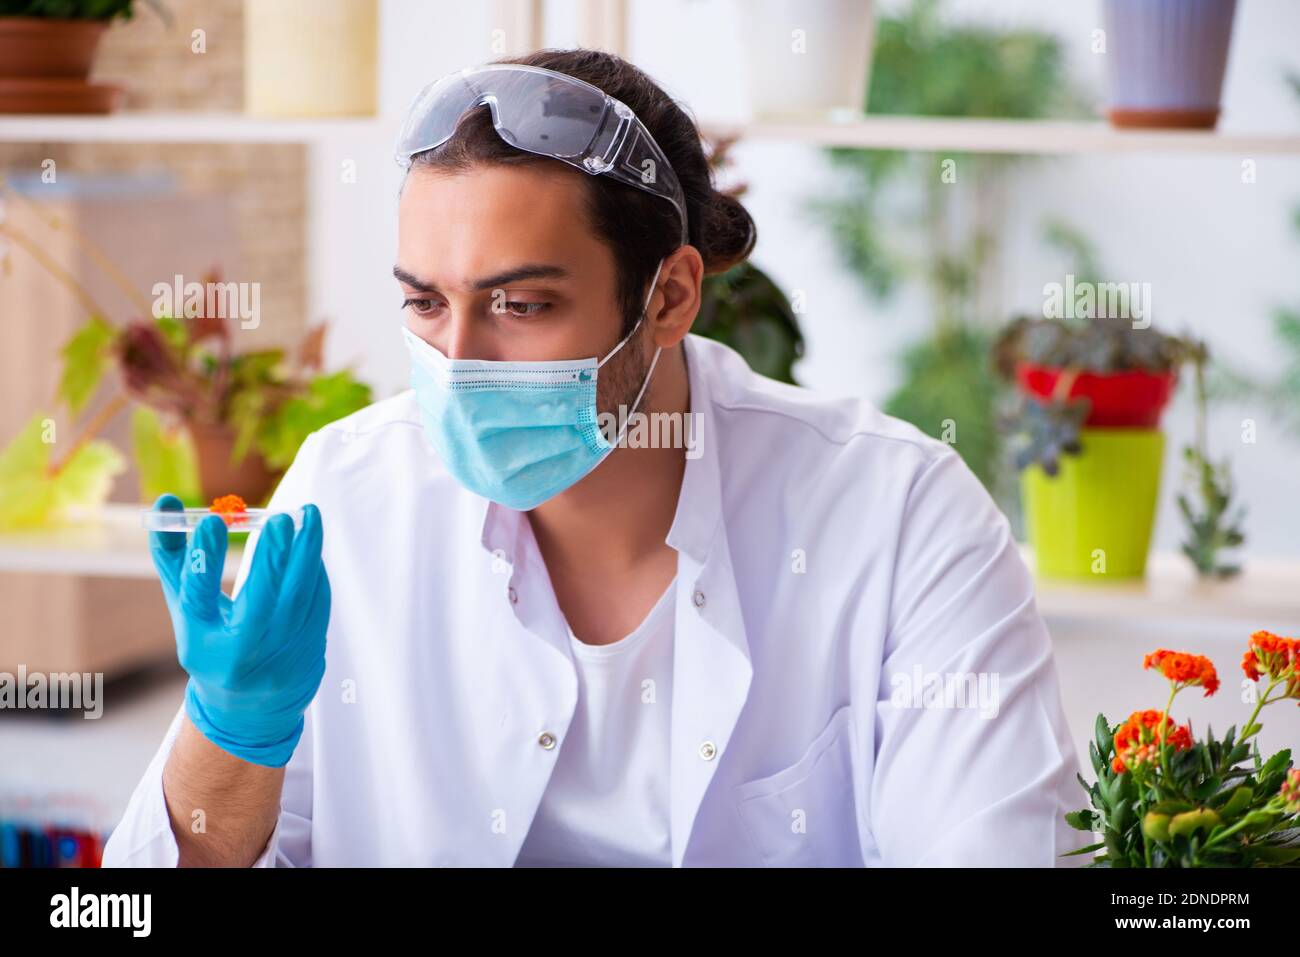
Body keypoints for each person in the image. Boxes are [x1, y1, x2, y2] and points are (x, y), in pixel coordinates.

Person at [103, 49, 1088, 867]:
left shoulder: (899, 519)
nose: (458, 363)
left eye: (522, 306)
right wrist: (230, 729)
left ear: (668, 297)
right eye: (425, 303)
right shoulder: (351, 495)